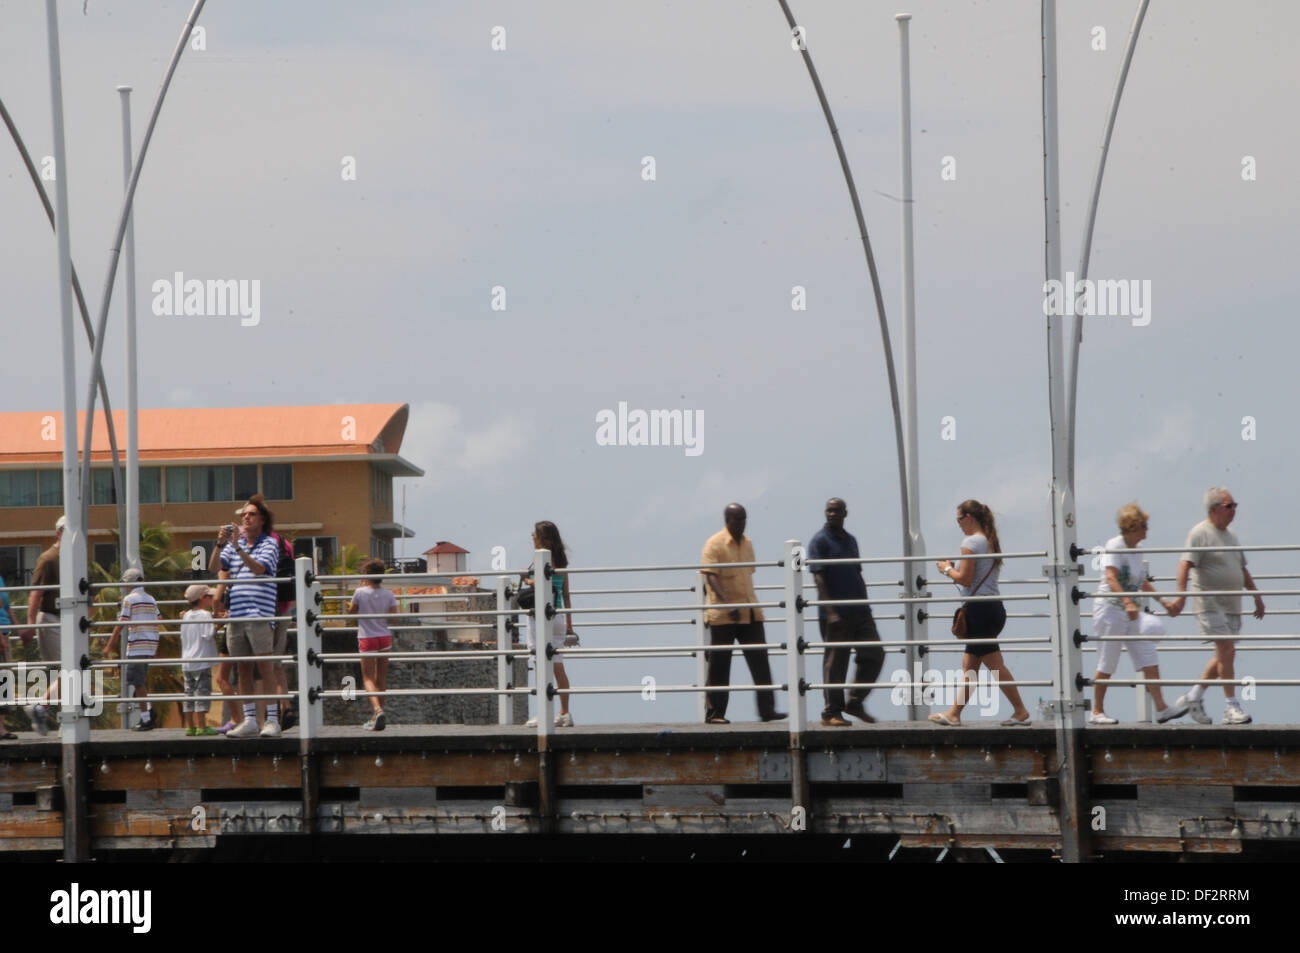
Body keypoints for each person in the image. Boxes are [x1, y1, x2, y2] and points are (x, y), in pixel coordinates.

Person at [1168, 487, 1265, 725]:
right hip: (1210, 603)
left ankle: (1193, 697)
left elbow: (1241, 568)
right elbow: (1184, 565)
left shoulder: (1231, 535)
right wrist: (1180, 596)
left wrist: (1256, 596)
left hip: (1231, 604)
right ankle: (1231, 707)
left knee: (1224, 655)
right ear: (1214, 510)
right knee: (1227, 651)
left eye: (1235, 505)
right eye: (1229, 506)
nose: (1234, 510)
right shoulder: (1199, 533)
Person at [931, 499, 1031, 726]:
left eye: (959, 519)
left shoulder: (971, 542)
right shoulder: (989, 540)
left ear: (969, 517)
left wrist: (946, 569)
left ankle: (1020, 710)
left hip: (980, 610)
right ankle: (954, 713)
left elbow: (965, 578)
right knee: (970, 665)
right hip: (992, 608)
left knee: (994, 664)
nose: (958, 524)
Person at [1088, 504, 1189, 725]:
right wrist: (1126, 601)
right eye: (1144, 526)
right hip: (1110, 610)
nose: (1147, 530)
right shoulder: (1115, 545)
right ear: (1132, 527)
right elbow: (1111, 577)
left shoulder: (1137, 550)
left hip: (1130, 612)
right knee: (1108, 661)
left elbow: (1142, 581)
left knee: (1148, 654)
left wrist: (1164, 602)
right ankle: (1096, 711)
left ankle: (1161, 708)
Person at [700, 504, 785, 725]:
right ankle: (715, 713)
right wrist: (728, 604)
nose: (741, 523)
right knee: (720, 665)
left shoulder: (747, 544)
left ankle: (767, 709)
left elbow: (747, 575)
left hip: (750, 611)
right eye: (737, 519)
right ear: (727, 519)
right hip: (723, 615)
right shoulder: (714, 544)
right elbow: (711, 576)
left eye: (744, 519)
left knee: (760, 660)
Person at [807, 498, 883, 725]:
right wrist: (830, 612)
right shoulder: (819, 541)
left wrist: (866, 604)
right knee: (835, 663)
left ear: (845, 513)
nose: (832, 514)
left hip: (860, 610)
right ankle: (831, 712)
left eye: (837, 511)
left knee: (874, 654)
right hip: (836, 613)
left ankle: (855, 701)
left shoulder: (850, 540)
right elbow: (818, 578)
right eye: (829, 510)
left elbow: (856, 573)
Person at [216, 494, 282, 738]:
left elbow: (258, 568)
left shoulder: (270, 543)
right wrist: (219, 544)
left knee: (265, 666)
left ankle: (273, 720)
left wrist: (235, 546)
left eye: (251, 514)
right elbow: (215, 567)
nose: (246, 518)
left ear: (262, 519)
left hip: (259, 613)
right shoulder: (236, 545)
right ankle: (250, 720)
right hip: (237, 614)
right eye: (244, 514)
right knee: (242, 668)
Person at [521, 521, 578, 728]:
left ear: (543, 538)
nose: (532, 537)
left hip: (540, 617)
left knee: (539, 665)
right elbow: (566, 594)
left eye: (535, 534)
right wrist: (570, 625)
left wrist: (526, 580)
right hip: (558, 617)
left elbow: (540, 582)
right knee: (558, 666)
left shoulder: (540, 558)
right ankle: (564, 712)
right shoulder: (561, 561)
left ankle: (543, 713)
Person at [103, 568, 161, 731]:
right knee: (138, 681)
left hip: (137, 646)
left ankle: (146, 718)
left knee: (137, 682)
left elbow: (122, 623)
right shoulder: (151, 598)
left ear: (130, 583)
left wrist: (109, 645)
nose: (125, 587)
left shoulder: (130, 599)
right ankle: (149, 711)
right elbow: (159, 618)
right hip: (150, 645)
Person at [22, 515, 65, 734]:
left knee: (72, 670)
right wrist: (31, 625)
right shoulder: (48, 559)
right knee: (70, 671)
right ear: (59, 532)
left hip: (69, 620)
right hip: (50, 618)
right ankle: (42, 708)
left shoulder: (74, 557)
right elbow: (36, 594)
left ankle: (48, 711)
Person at [348, 558, 396, 730]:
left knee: (367, 678)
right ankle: (377, 717)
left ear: (366, 575)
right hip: (384, 637)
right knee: (381, 677)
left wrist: (359, 589)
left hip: (367, 637)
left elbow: (351, 612)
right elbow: (394, 619)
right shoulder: (389, 594)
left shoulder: (360, 593)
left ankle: (377, 709)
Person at [180, 585, 219, 736]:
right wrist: (220, 624)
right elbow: (208, 635)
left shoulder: (186, 615)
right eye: (209, 597)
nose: (212, 600)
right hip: (201, 660)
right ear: (202, 598)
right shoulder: (205, 614)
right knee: (202, 693)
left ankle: (190, 727)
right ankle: (202, 727)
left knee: (189, 694)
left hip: (187, 660)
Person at [0, 575, 14, 739]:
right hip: (1, 633)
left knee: (5, 679)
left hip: (5, 630)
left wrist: (21, 627)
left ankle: (1, 726)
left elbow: (6, 606)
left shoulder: (1, 578)